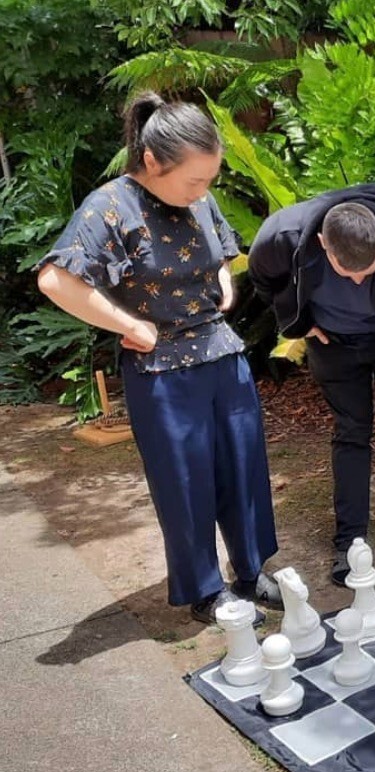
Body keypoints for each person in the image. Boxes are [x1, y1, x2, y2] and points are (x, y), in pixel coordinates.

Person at [36, 93, 282, 624]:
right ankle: (206, 591)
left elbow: (220, 252)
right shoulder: (109, 205)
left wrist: (224, 287)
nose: (204, 192)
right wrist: (127, 325)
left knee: (243, 466)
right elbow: (55, 278)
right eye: (195, 181)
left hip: (221, 353)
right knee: (184, 480)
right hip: (161, 370)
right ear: (152, 162)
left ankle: (251, 569)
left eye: (209, 180)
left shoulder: (200, 197)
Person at [248, 186, 375, 587]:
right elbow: (262, 278)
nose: (360, 280)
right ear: (323, 244)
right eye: (349, 273)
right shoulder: (283, 237)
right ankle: (350, 541)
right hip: (332, 344)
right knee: (351, 432)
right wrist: (297, 322)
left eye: (369, 269)